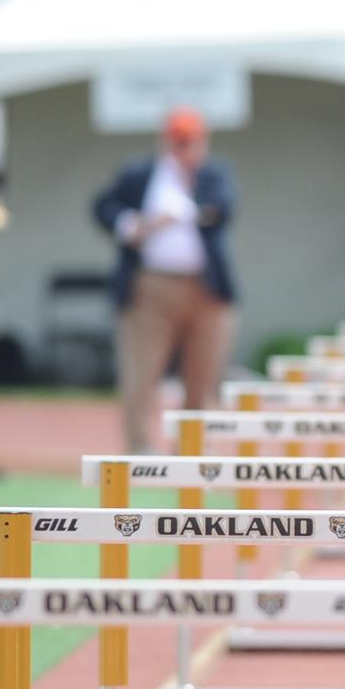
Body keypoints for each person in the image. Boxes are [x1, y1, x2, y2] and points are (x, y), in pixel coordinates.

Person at [90, 106, 239, 455]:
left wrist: (184, 206)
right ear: (166, 142)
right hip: (151, 287)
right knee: (142, 373)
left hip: (205, 288)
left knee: (202, 375)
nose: (186, 150)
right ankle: (140, 447)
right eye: (179, 143)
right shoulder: (140, 174)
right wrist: (134, 225)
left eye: (192, 142)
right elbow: (102, 207)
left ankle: (192, 448)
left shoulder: (213, 175)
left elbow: (224, 208)